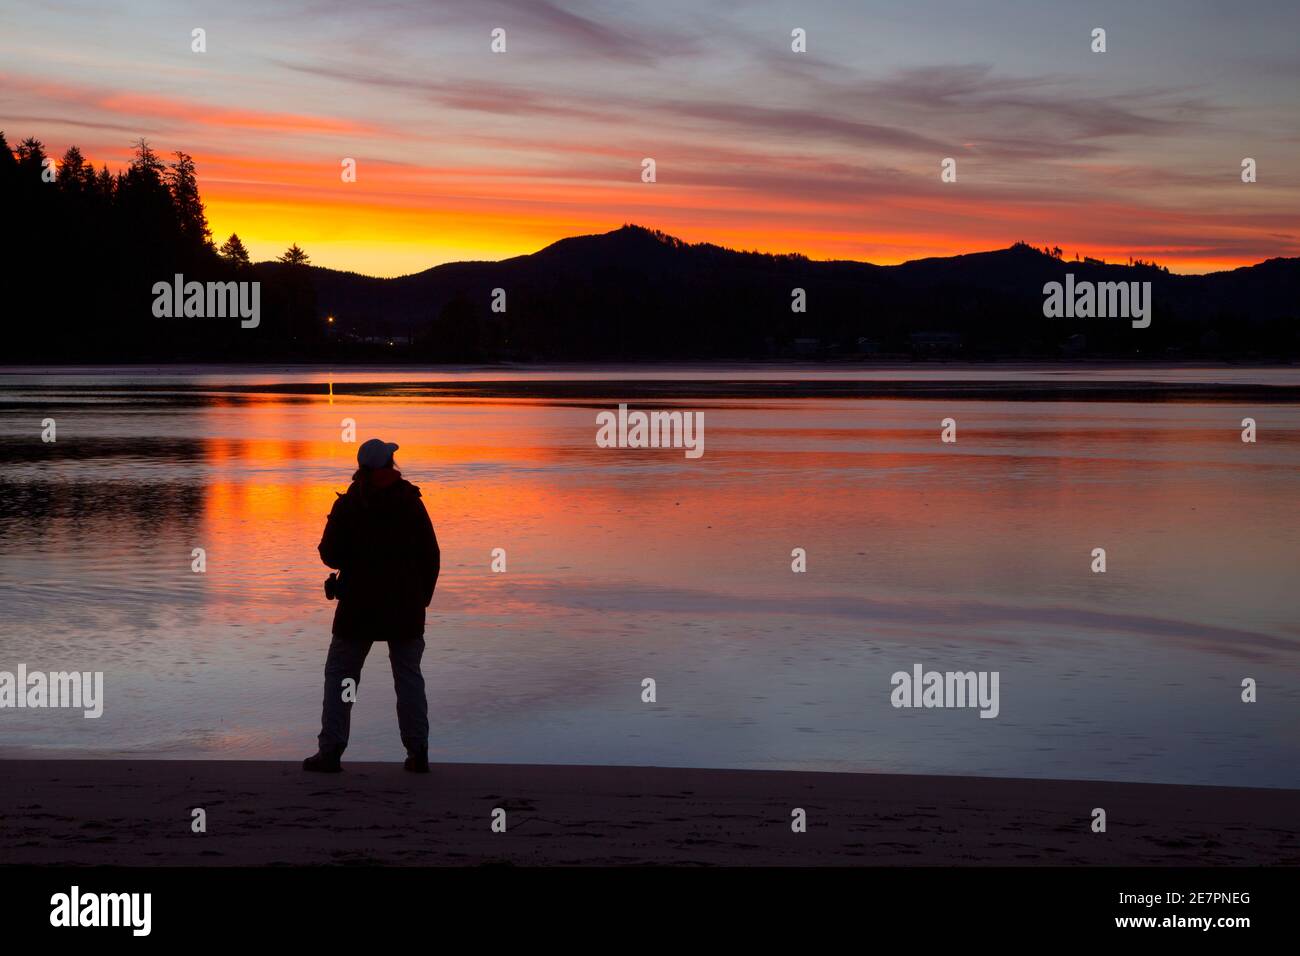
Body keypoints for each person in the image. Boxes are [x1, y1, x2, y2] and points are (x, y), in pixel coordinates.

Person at [303, 438, 441, 773]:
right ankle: (417, 752)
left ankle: (332, 751)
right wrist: (422, 599)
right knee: (408, 679)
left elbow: (329, 554)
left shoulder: (349, 503)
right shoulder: (410, 501)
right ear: (389, 465)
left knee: (342, 678)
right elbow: (431, 555)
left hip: (358, 608)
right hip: (405, 607)